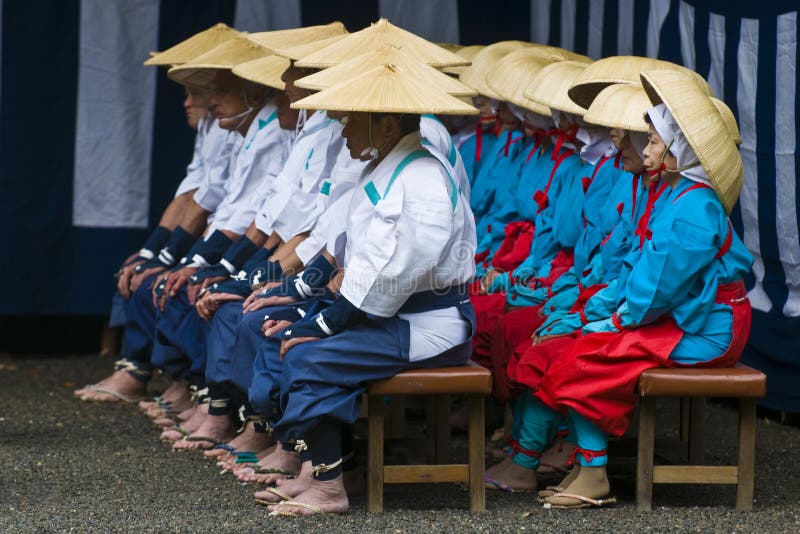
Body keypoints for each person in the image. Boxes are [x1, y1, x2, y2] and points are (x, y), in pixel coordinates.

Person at [503, 68, 753, 508]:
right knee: (578, 344)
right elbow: (640, 273)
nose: (644, 145)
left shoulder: (694, 207)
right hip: (679, 319)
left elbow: (658, 287)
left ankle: (594, 473)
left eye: (655, 140)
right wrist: (596, 312)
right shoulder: (674, 195)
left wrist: (612, 320)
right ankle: (586, 466)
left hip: (709, 331)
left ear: (681, 151)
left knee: (588, 354)